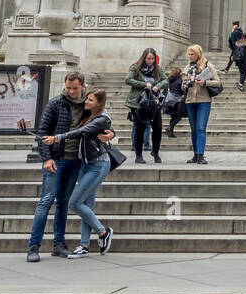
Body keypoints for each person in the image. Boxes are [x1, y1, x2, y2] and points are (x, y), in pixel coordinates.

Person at [27, 70, 111, 262]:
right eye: (68, 88)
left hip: (75, 161)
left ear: (82, 87)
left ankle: (58, 244)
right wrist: (47, 158)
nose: (71, 92)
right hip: (56, 160)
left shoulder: (87, 104)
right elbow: (43, 132)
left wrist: (111, 134)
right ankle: (33, 246)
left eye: (75, 88)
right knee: (46, 202)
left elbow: (103, 118)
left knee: (64, 202)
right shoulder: (56, 103)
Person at [124, 47, 166, 164]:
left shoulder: (157, 68)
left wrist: (158, 86)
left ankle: (156, 152)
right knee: (140, 127)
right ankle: (138, 155)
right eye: (148, 58)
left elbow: (165, 80)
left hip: (153, 102)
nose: (150, 61)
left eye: (152, 58)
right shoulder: (136, 67)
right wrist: (144, 84)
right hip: (138, 102)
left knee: (157, 127)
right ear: (144, 57)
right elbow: (128, 79)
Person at [182, 45, 217, 164]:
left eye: (192, 54)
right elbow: (185, 82)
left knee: (201, 128)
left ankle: (201, 155)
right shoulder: (187, 67)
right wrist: (183, 85)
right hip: (190, 100)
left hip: (204, 100)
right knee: (193, 129)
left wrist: (205, 82)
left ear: (198, 54)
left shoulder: (208, 66)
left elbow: (218, 82)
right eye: (189, 54)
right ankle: (195, 154)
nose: (190, 56)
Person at [162, 66, 186, 137]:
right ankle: (170, 127)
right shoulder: (180, 80)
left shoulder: (168, 80)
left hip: (168, 101)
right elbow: (182, 92)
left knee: (174, 116)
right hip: (176, 102)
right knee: (178, 116)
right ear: (179, 73)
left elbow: (164, 92)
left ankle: (171, 131)